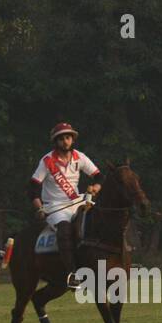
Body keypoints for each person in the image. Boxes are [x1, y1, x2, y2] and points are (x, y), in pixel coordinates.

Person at [29, 122, 101, 288]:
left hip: (77, 202)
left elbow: (99, 177)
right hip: (55, 207)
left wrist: (95, 188)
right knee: (65, 229)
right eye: (61, 139)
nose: (65, 141)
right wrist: (39, 208)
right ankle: (73, 274)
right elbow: (33, 187)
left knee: (99, 220)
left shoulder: (79, 157)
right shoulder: (47, 161)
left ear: (72, 139)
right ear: (56, 142)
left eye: (68, 137)